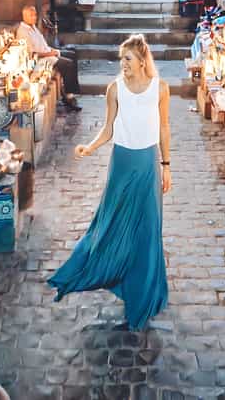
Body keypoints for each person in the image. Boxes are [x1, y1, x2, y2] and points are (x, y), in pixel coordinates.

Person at [48, 34, 171, 331]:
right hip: (122, 164)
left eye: (127, 59)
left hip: (148, 165)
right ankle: (100, 269)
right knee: (111, 222)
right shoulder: (114, 89)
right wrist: (89, 147)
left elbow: (164, 128)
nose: (123, 64)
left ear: (142, 60)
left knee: (148, 227)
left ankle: (145, 293)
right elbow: (108, 128)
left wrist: (167, 166)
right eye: (121, 60)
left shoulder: (160, 89)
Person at [15, 5, 81, 111]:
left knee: (73, 54)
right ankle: (69, 96)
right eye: (31, 15)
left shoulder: (33, 27)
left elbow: (43, 45)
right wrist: (51, 54)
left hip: (49, 52)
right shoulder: (23, 32)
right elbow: (33, 53)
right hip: (42, 59)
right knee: (67, 64)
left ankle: (72, 90)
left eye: (35, 15)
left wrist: (53, 51)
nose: (34, 17)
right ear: (25, 16)